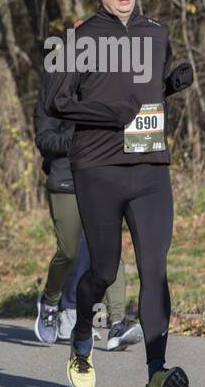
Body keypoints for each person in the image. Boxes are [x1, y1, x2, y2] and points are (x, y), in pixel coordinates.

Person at [47, 0, 194, 387]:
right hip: (99, 167)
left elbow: (144, 97)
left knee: (155, 268)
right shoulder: (78, 39)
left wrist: (170, 85)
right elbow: (57, 102)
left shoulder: (155, 33)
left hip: (150, 166)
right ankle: (83, 333)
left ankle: (156, 373)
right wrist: (108, 114)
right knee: (104, 268)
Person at [34, 53, 133, 348]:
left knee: (110, 249)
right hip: (67, 179)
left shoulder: (110, 87)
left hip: (104, 179)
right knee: (68, 251)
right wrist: (80, 141)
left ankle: (118, 322)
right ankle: (50, 302)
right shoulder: (54, 87)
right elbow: (44, 139)